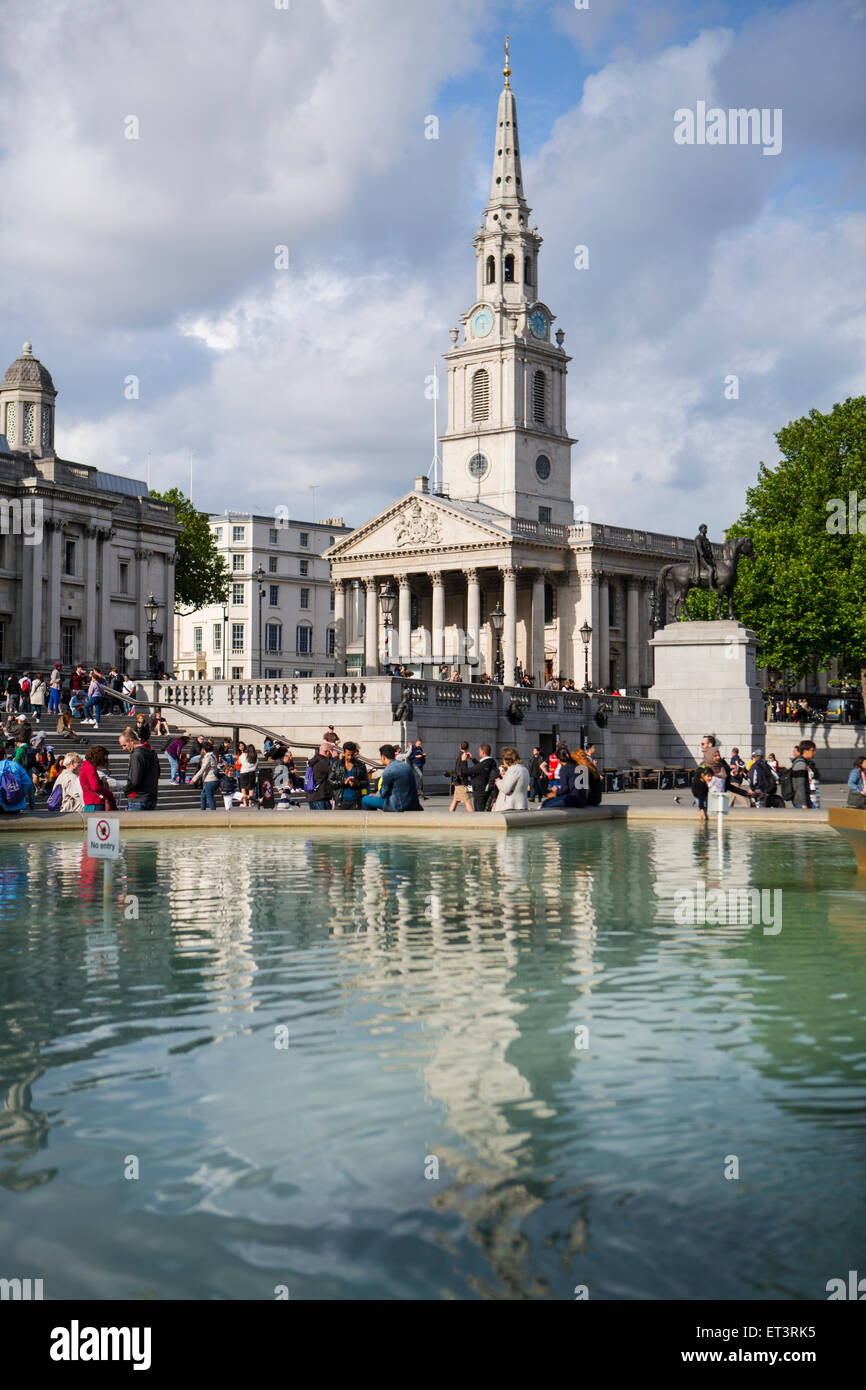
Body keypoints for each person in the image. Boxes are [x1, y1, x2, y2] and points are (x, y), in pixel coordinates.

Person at [362, 744, 422, 812]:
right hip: (414, 805)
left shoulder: (389, 770)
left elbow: (382, 793)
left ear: (383, 757)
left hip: (398, 805)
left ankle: (373, 821)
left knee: (365, 799)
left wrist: (374, 794)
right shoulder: (406, 766)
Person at [121, 722, 160, 810]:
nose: (123, 748)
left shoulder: (136, 755)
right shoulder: (152, 752)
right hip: (151, 797)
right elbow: (158, 773)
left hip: (138, 798)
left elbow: (134, 780)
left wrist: (126, 791)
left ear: (131, 741)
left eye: (124, 745)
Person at [329, 741, 369, 809]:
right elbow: (330, 781)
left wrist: (358, 783)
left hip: (356, 802)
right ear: (344, 753)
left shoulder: (361, 765)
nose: (350, 757)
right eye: (348, 755)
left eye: (352, 754)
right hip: (340, 802)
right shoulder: (336, 765)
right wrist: (343, 782)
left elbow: (366, 782)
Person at [79, 745, 114, 812]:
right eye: (104, 758)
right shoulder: (90, 767)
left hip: (91, 802)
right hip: (95, 803)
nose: (105, 761)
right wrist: (110, 794)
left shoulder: (86, 765)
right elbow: (95, 787)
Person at [191, 740, 220, 810]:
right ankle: (202, 810)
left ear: (204, 749)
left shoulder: (208, 757)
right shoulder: (213, 756)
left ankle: (214, 813)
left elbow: (202, 769)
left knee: (210, 798)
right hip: (212, 779)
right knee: (203, 796)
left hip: (210, 780)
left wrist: (194, 779)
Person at [306, 741, 335, 810]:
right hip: (321, 796)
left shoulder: (313, 761)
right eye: (332, 751)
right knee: (325, 820)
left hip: (311, 796)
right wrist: (335, 758)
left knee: (315, 820)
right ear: (327, 751)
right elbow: (334, 773)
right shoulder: (324, 762)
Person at [470, 743, 499, 812]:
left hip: (482, 790)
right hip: (486, 789)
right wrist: (473, 759)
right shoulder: (491, 762)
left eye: (479, 751)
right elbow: (481, 767)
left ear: (483, 752)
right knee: (482, 809)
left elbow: (469, 770)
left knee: (480, 810)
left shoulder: (487, 763)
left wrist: (463, 761)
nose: (478, 753)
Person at [449, 740, 474, 814]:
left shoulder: (458, 755)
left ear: (460, 747)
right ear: (468, 748)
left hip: (457, 781)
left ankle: (449, 816)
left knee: (455, 800)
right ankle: (474, 818)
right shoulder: (464, 756)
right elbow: (463, 770)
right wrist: (464, 781)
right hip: (461, 782)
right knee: (467, 801)